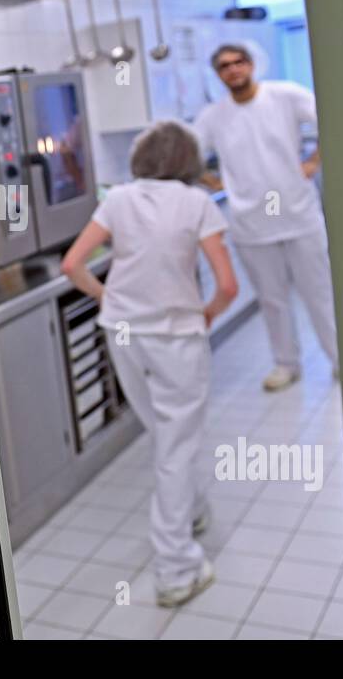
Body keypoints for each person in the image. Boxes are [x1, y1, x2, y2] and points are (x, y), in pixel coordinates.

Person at [62, 121, 237, 608]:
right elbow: (227, 285)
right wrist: (205, 315)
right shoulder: (198, 203)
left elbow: (73, 264)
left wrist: (109, 297)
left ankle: (193, 511)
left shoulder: (118, 198)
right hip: (174, 335)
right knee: (176, 445)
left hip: (121, 332)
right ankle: (176, 569)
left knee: (164, 433)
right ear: (188, 161)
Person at [192, 44, 339, 391]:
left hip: (298, 212)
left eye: (239, 62)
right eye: (225, 66)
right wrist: (213, 180)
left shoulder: (284, 95)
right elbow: (185, 151)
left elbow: (333, 116)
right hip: (251, 223)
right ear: (218, 75)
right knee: (272, 301)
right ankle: (286, 364)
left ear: (252, 64)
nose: (233, 70)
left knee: (319, 293)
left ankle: (340, 359)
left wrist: (315, 161)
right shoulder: (214, 116)